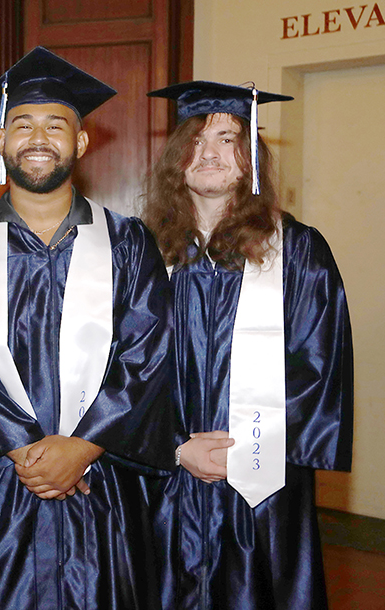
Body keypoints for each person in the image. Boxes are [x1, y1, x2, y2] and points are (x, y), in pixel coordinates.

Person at [0, 46, 176, 610]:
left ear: (82, 142)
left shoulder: (128, 243)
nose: (38, 137)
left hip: (101, 484)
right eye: (22, 124)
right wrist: (26, 451)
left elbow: (149, 353)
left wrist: (82, 447)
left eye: (56, 124)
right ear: (1, 141)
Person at [142, 81, 353, 609]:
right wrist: (174, 446)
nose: (209, 153)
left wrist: (250, 448)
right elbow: (121, 369)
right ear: (176, 161)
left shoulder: (299, 250)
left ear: (251, 158)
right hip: (167, 480)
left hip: (261, 488)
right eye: (194, 141)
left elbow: (321, 368)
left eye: (228, 139)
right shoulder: (142, 253)